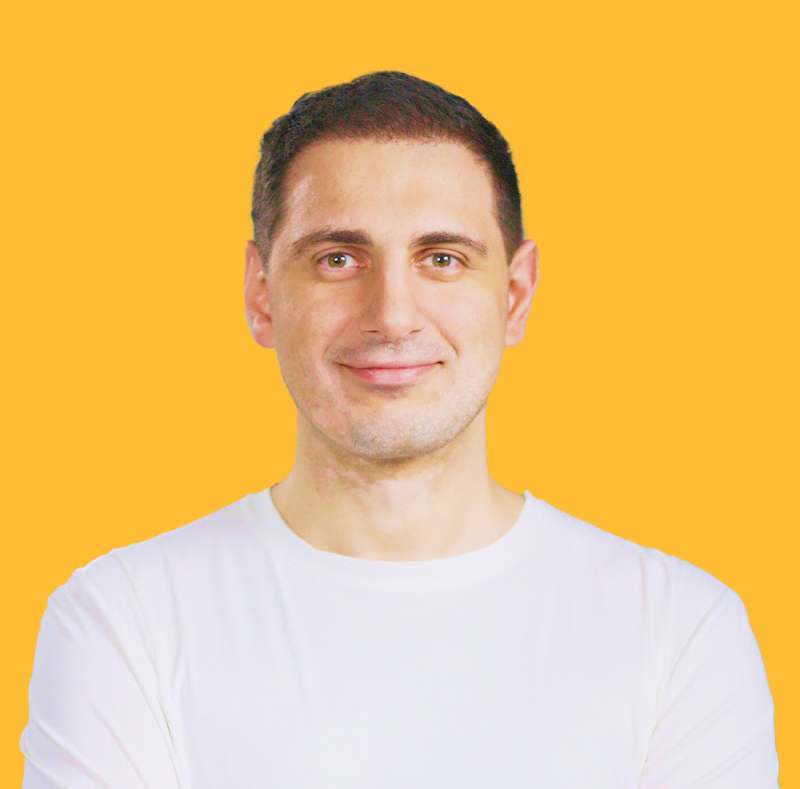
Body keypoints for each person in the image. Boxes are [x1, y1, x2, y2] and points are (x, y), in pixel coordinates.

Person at [21, 71, 780, 788]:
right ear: (261, 295)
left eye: (441, 258)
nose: (391, 314)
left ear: (515, 295)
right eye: (338, 259)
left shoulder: (679, 632)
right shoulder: (124, 622)